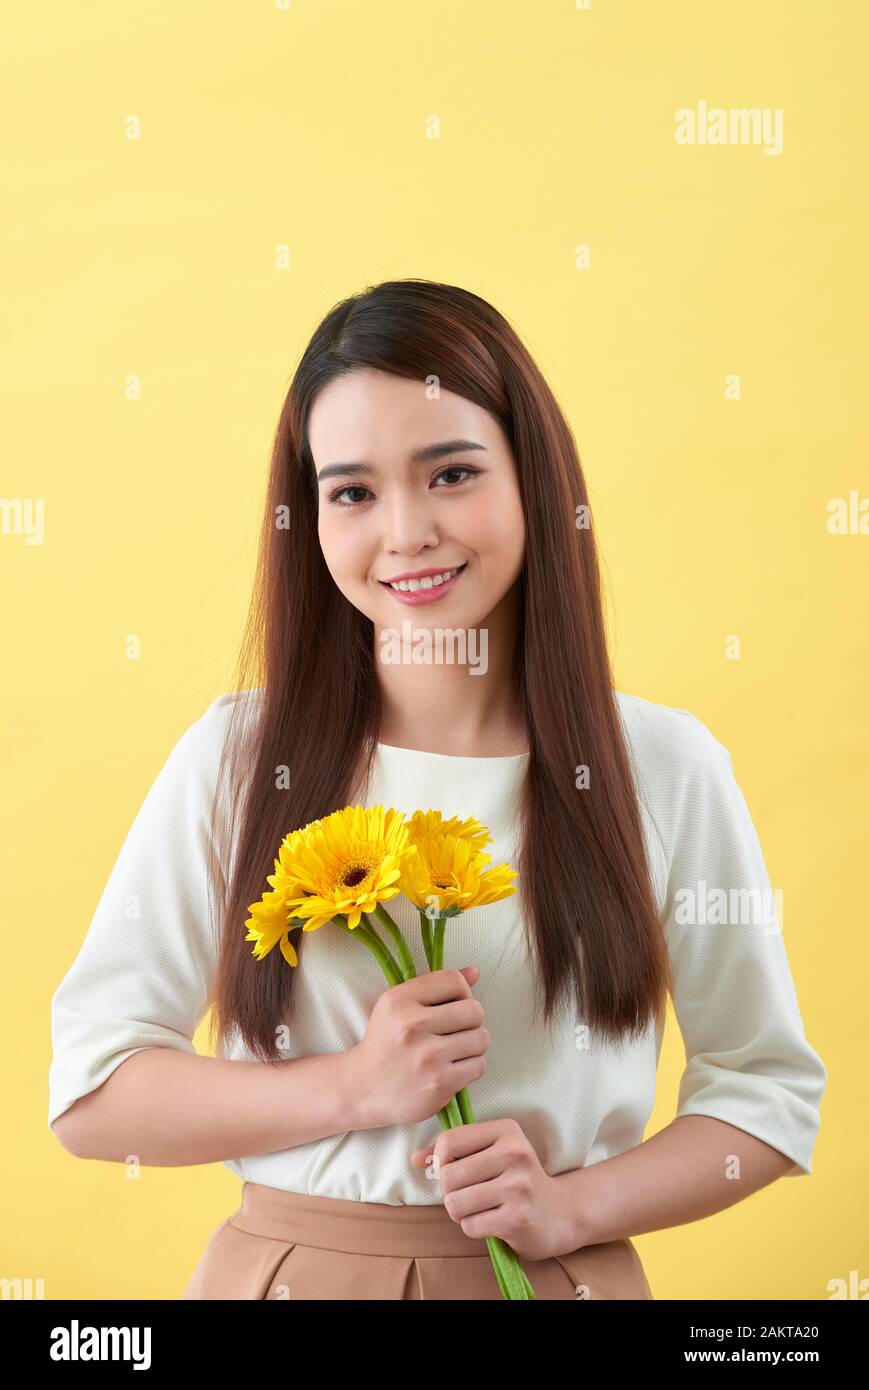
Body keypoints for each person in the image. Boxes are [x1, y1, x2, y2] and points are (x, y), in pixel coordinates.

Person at [48, 279, 827, 1300]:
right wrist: (349, 1087)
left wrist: (572, 1208)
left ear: (530, 480)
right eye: (352, 492)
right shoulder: (235, 760)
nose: (405, 531)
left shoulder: (662, 767)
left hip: (553, 1280)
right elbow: (93, 1091)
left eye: (449, 472)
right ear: (308, 516)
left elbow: (764, 1092)